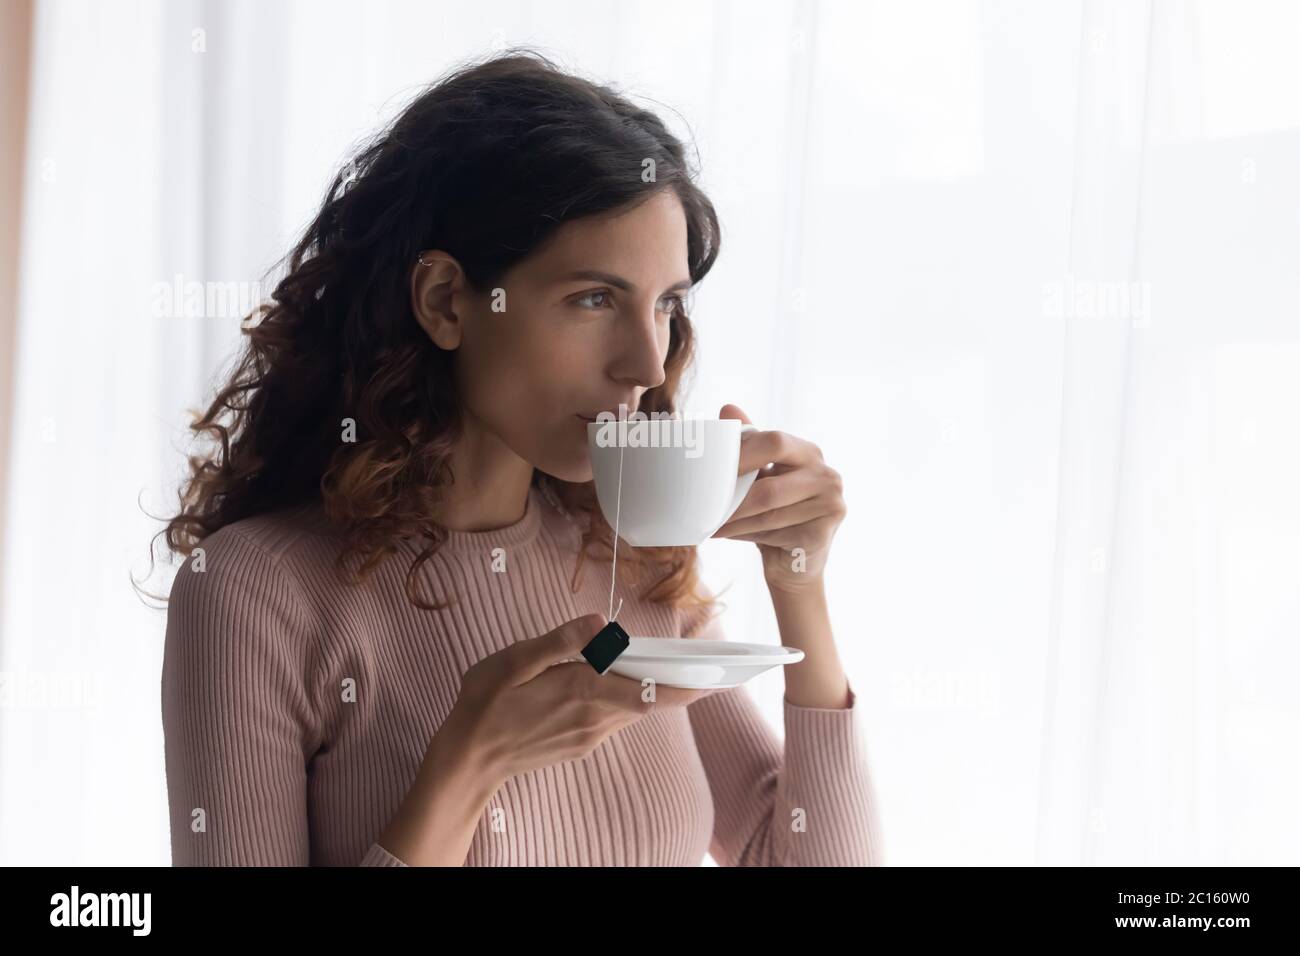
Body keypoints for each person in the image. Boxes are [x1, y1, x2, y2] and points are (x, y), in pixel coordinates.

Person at [156, 49, 883, 866]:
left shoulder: (630, 567)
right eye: (593, 299)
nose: (646, 364)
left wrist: (799, 586)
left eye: (667, 306)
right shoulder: (258, 593)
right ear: (445, 302)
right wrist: (470, 765)